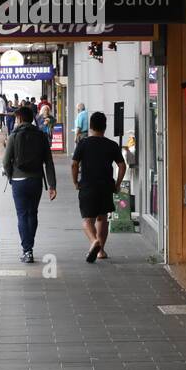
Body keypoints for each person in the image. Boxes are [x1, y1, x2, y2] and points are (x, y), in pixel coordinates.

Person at [3, 104, 57, 263]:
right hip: (36, 180)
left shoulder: (14, 136)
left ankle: (27, 250)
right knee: (32, 213)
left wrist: (11, 176)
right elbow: (49, 162)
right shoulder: (41, 136)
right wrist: (52, 185)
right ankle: (30, 247)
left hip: (19, 181)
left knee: (22, 214)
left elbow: (6, 161)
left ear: (19, 118)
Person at [71, 111, 126, 263]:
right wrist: (117, 184)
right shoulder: (111, 145)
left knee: (87, 219)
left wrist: (75, 182)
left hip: (88, 185)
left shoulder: (83, 144)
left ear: (90, 127)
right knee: (102, 218)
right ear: (105, 127)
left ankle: (94, 241)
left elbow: (74, 164)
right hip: (106, 186)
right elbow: (122, 165)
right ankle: (101, 250)